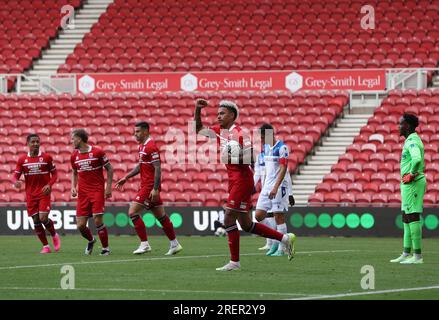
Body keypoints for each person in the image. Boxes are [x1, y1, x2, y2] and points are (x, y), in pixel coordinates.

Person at [194, 99, 296, 271]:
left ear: (232, 115)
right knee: (247, 224)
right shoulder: (219, 131)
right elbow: (198, 130)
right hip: (233, 180)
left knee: (228, 218)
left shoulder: (240, 134)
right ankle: (285, 239)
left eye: (222, 113)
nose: (218, 116)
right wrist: (198, 109)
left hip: (242, 179)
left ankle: (235, 262)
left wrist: (232, 157)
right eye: (218, 113)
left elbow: (252, 158)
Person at [115, 122, 182, 256]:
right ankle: (175, 244)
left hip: (149, 187)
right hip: (147, 186)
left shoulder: (151, 147)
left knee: (133, 212)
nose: (135, 134)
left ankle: (144, 244)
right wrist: (126, 177)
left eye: (138, 132)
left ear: (146, 131)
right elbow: (141, 165)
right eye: (135, 132)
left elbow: (158, 168)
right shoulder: (142, 146)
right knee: (161, 217)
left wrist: (155, 189)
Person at [12, 134, 60, 253]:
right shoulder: (22, 160)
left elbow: (55, 174)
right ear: (27, 143)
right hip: (30, 194)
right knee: (36, 221)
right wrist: (16, 182)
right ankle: (46, 246)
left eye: (37, 142)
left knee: (43, 218)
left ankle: (54, 234)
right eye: (33, 142)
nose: (35, 144)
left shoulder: (47, 157)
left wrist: (49, 185)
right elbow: (15, 176)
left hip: (43, 193)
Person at [254, 123, 296, 256]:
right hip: (266, 187)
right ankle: (276, 239)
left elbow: (284, 169)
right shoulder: (265, 148)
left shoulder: (282, 148)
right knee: (259, 215)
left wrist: (276, 187)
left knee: (278, 216)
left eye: (262, 137)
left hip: (278, 187)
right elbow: (266, 169)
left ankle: (282, 248)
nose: (261, 139)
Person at [70, 129, 113, 256]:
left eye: (73, 139)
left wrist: (108, 187)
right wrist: (73, 186)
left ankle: (105, 248)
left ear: (80, 139)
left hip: (96, 191)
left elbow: (109, 169)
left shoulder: (97, 152)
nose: (72, 141)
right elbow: (74, 172)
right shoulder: (74, 156)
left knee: (97, 220)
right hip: (83, 194)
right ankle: (91, 240)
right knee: (80, 225)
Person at [390, 113, 426, 264]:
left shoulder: (412, 141)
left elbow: (417, 159)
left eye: (401, 123)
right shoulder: (409, 141)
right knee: (406, 218)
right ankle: (406, 253)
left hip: (413, 183)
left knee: (412, 216)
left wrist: (411, 174)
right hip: (407, 184)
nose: (399, 126)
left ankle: (417, 256)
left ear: (408, 126)